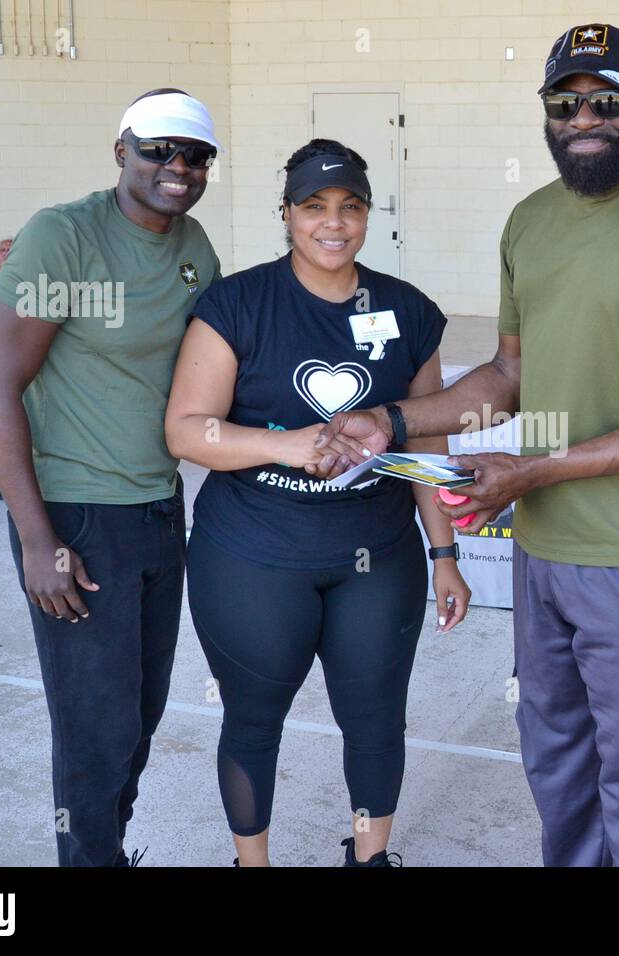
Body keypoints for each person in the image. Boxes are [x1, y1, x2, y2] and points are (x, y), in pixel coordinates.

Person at [315, 23, 619, 866]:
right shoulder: (531, 221)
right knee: (558, 770)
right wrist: (395, 423)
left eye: (605, 100)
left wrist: (533, 470)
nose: (583, 116)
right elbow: (509, 374)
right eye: (566, 101)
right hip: (544, 555)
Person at [165, 138, 471, 868]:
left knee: (375, 722)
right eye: (314, 207)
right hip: (253, 555)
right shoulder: (238, 303)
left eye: (350, 207)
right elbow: (186, 429)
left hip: (377, 557)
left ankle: (370, 860)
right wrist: (286, 445)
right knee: (253, 720)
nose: (333, 223)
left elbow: (425, 445)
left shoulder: (408, 310)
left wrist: (447, 555)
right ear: (287, 215)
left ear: (368, 214)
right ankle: (253, 863)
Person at [0, 88, 222, 867]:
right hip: (77, 515)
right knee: (94, 729)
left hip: (157, 505)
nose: (176, 168)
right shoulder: (64, 236)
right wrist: (36, 537)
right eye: (158, 150)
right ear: (122, 152)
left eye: (195, 155)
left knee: (140, 717)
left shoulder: (195, 248)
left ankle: (104, 851)